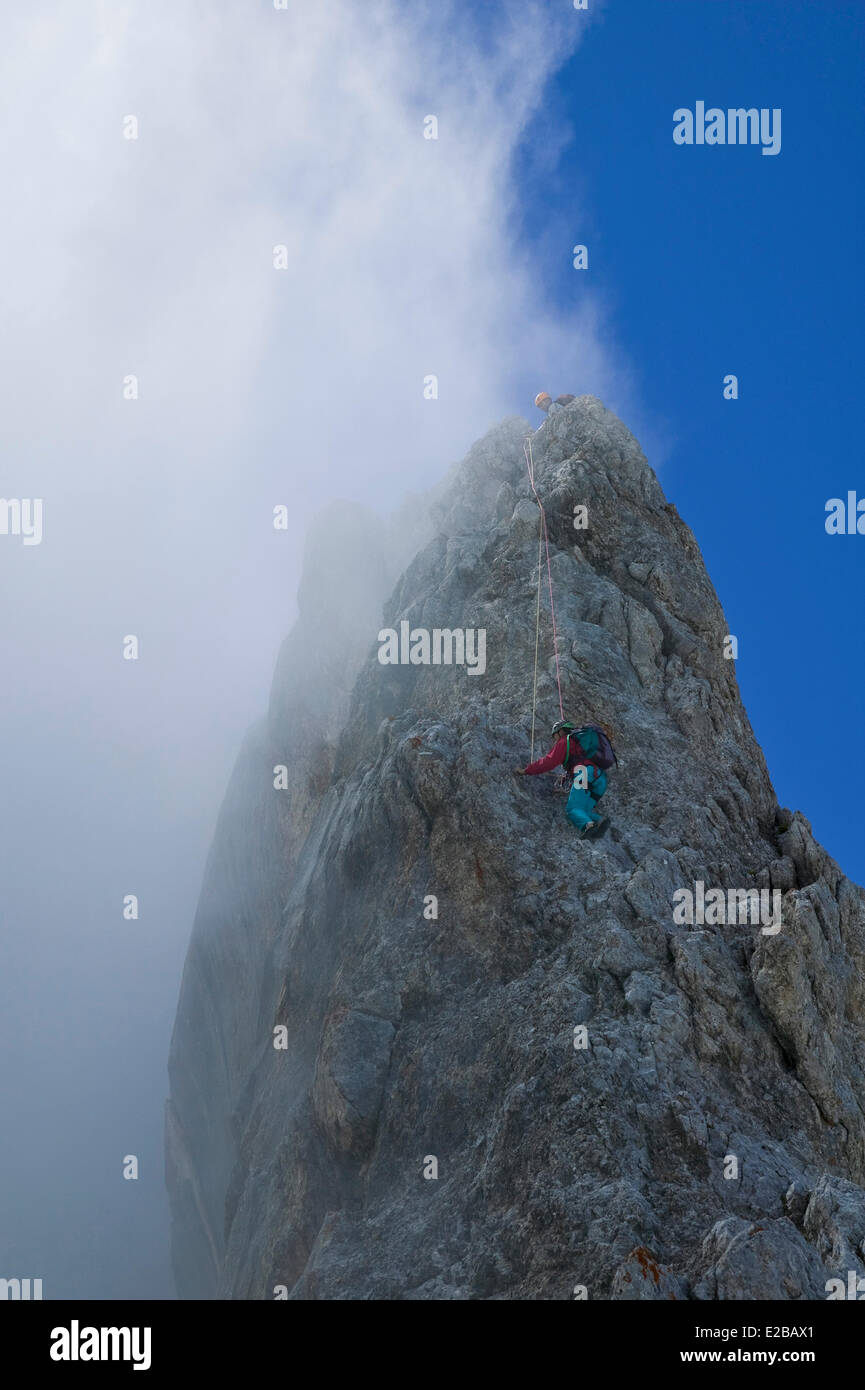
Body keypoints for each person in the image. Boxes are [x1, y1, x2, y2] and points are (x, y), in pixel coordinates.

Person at [514, 719, 614, 838]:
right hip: (600, 778)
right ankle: (599, 820)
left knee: (573, 808)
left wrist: (526, 771)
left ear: (560, 732)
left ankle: (588, 825)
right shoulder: (579, 742)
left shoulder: (565, 741)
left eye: (555, 736)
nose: (555, 740)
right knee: (583, 809)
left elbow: (549, 761)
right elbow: (580, 760)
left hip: (583, 773)